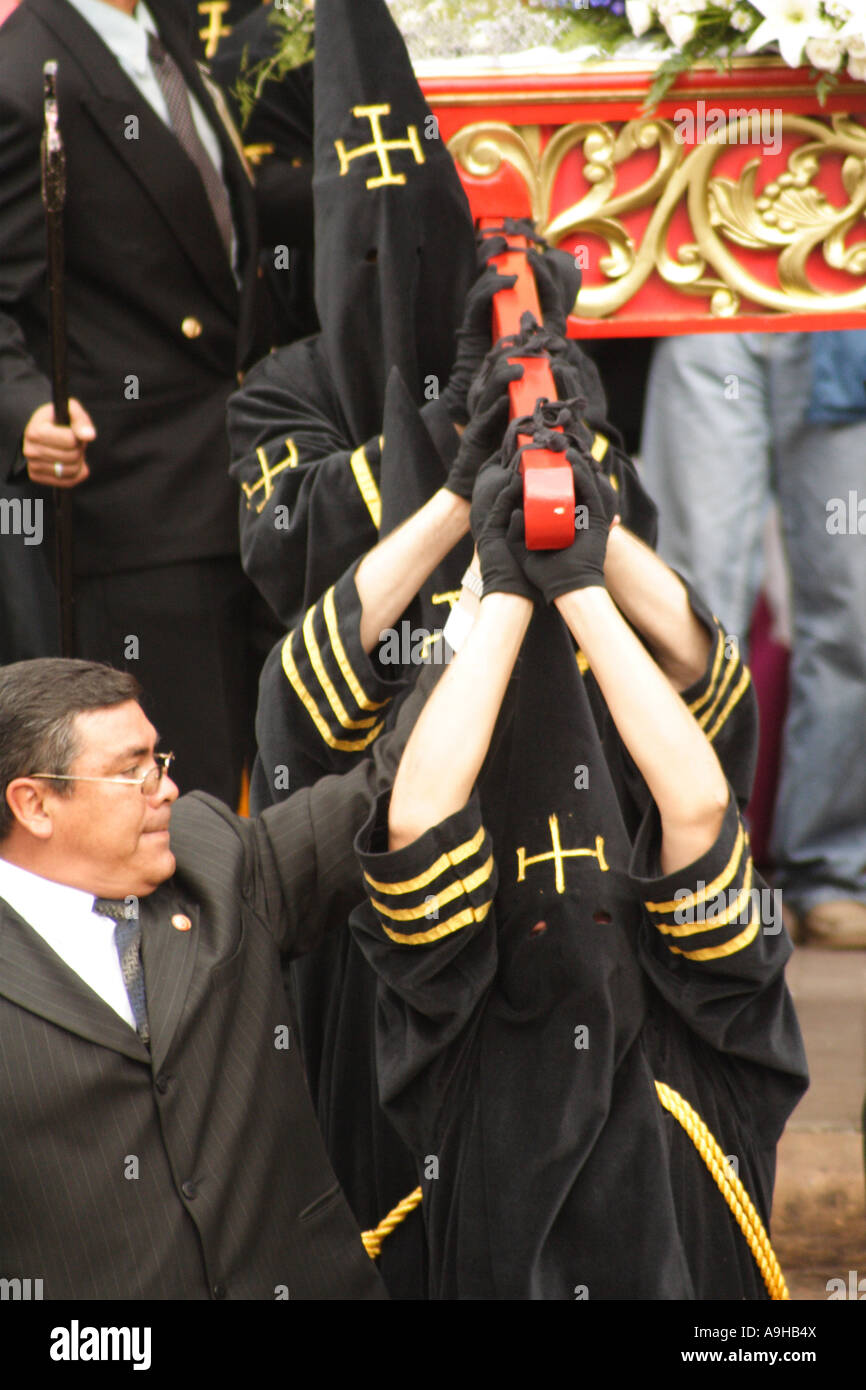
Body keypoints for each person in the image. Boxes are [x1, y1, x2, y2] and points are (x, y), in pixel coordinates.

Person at [349, 414, 809, 1299]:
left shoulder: (707, 1035)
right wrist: (516, 594)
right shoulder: (458, 1047)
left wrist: (579, 581)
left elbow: (700, 802)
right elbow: (419, 816)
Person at [0, 654, 445, 1299]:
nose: (166, 789)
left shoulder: (211, 854)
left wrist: (479, 619)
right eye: (132, 773)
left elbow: (388, 789)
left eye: (159, 762)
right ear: (34, 804)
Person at [0, 0, 276, 804]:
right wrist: (25, 416)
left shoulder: (163, 31)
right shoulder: (26, 78)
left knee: (268, 804)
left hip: (240, 487)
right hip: (139, 520)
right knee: (182, 821)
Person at [640, 330, 866, 949]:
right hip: (700, 296)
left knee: (856, 616)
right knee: (692, 610)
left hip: (844, 307)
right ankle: (699, 861)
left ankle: (833, 871)